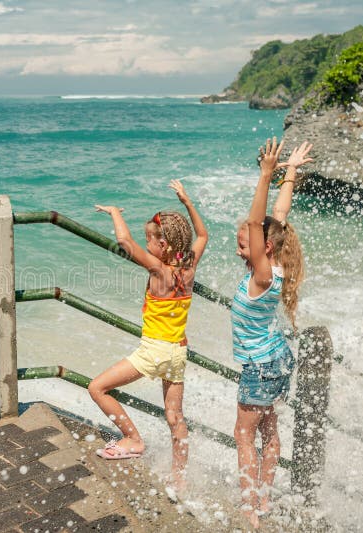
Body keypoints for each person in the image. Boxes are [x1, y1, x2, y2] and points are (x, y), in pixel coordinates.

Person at [89, 179, 208, 491]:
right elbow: (203, 234)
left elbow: (125, 242)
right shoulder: (188, 267)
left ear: (163, 246)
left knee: (97, 388)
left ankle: (132, 438)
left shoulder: (160, 271)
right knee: (174, 417)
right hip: (177, 353)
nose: (147, 245)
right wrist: (187, 202)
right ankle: (179, 477)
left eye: (151, 241)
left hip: (152, 352)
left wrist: (114, 212)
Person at [232, 139, 311, 528]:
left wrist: (267, 173)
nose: (237, 248)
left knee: (244, 434)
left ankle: (251, 509)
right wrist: (290, 173)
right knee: (269, 430)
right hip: (278, 359)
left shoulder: (262, 275)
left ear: (264, 248)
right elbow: (276, 218)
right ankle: (262, 501)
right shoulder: (274, 262)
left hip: (260, 365)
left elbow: (257, 220)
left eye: (242, 244)